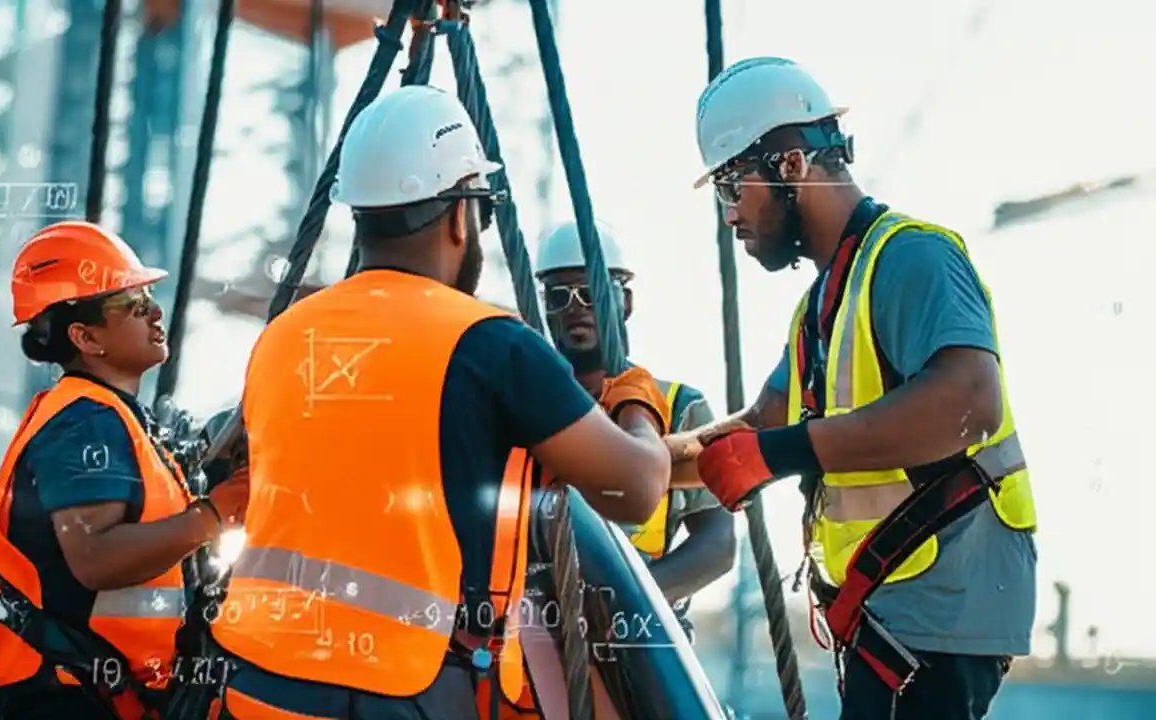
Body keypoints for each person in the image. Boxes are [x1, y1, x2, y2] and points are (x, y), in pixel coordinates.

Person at [207, 85, 673, 720]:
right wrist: (639, 404)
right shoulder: (492, 343)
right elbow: (636, 489)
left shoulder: (282, 337)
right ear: (461, 215)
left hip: (257, 683)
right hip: (400, 689)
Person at [684, 57, 1038, 719]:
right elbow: (753, 434)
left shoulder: (912, 256)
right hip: (892, 617)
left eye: (733, 188)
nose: (730, 216)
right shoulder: (824, 305)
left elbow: (968, 403)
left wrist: (778, 453)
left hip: (936, 612)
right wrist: (610, 461)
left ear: (791, 166)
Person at [0, 221, 249, 719]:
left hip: (97, 692)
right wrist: (213, 516)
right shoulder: (84, 420)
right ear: (85, 336)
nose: (156, 313)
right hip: (63, 697)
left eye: (149, 297)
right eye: (133, 304)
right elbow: (95, 556)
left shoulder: (115, 418)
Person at [533, 219, 736, 638]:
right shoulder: (526, 408)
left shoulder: (680, 408)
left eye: (589, 292)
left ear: (623, 301)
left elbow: (717, 545)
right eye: (559, 295)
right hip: (539, 636)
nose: (575, 306)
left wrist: (627, 599)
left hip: (641, 636)